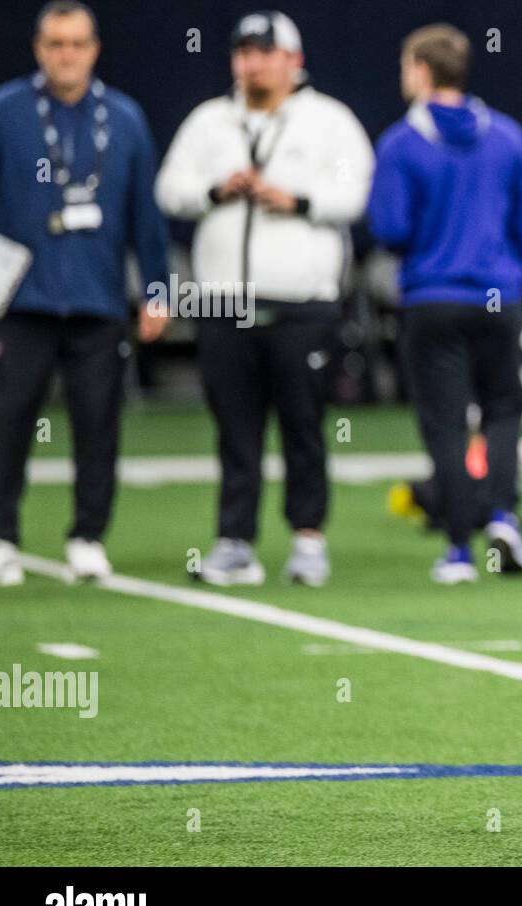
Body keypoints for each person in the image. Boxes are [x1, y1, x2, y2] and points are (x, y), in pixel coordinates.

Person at [156, 10, 373, 587]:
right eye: (243, 53)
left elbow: (354, 191)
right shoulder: (210, 122)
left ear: (293, 59)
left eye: (263, 52)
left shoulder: (329, 121)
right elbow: (169, 188)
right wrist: (215, 189)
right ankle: (234, 541)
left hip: (301, 302)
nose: (251, 63)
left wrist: (296, 199)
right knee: (235, 428)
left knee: (304, 423)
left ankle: (308, 538)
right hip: (225, 302)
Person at [0, 0, 169, 586]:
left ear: (94, 48)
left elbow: (145, 213)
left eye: (76, 43)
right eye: (55, 44)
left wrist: (154, 289)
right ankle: (1, 536)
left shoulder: (124, 118)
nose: (66, 55)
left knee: (98, 422)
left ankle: (88, 535)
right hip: (21, 302)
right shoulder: (6, 110)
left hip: (97, 300)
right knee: (8, 419)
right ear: (38, 49)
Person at [367, 23, 522, 585]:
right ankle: (504, 517)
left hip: (432, 301)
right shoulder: (509, 137)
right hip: (498, 297)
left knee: (444, 424)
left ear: (421, 70)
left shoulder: (399, 142)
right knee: (505, 408)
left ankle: (460, 550)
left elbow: (389, 228)